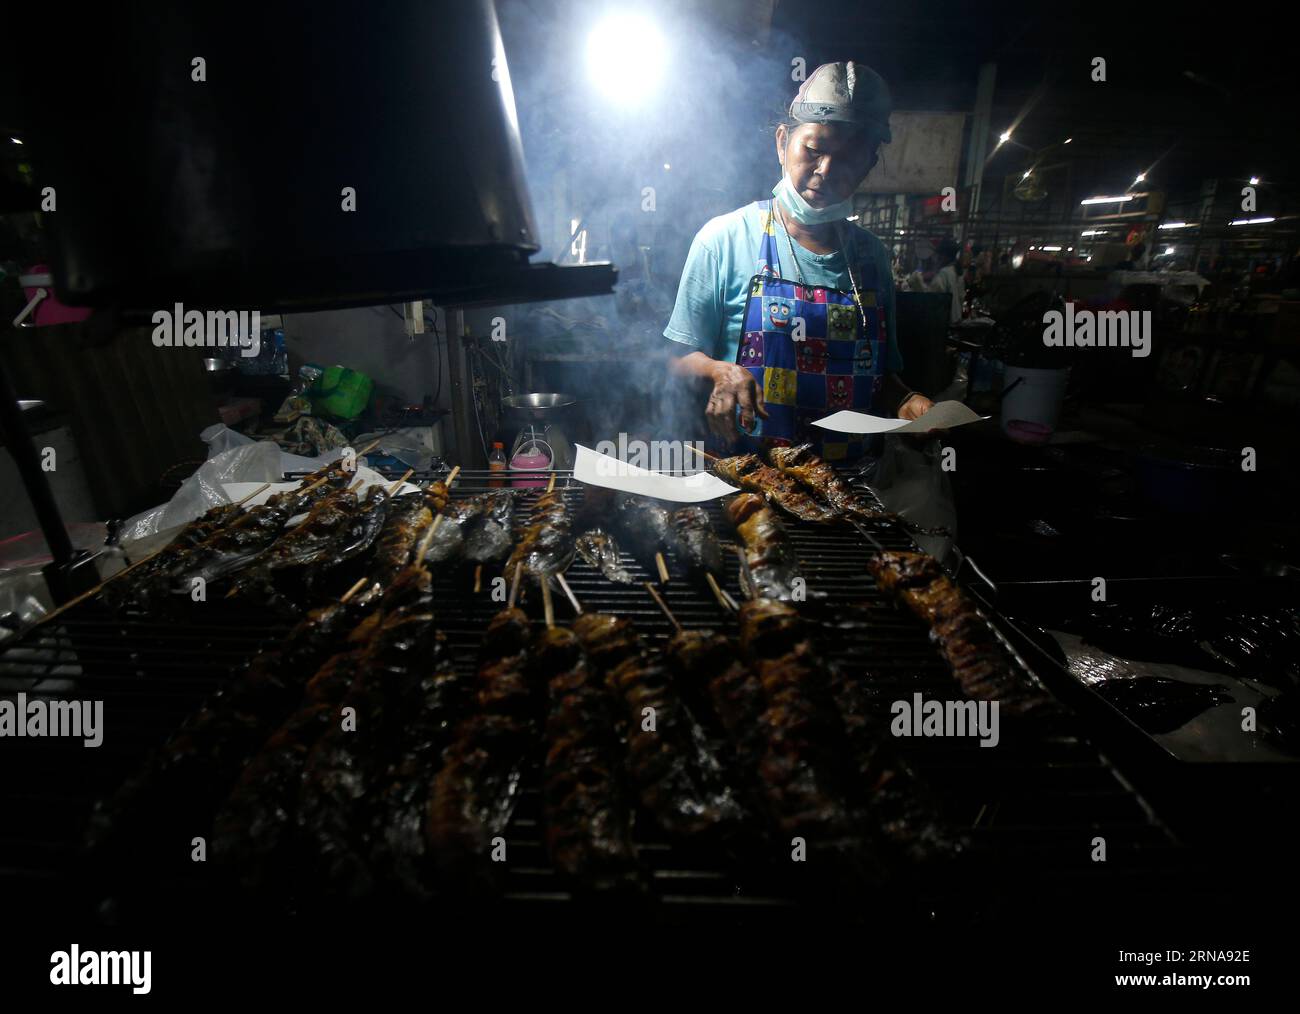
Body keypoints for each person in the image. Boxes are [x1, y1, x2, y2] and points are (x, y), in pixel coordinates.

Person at [663, 61, 933, 459]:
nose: (825, 171)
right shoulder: (724, 239)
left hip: (850, 487)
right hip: (749, 478)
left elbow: (881, 376)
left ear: (868, 167)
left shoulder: (871, 256)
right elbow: (675, 359)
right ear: (781, 143)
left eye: (848, 159)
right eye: (813, 150)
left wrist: (908, 400)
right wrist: (720, 370)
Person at [926, 238, 966, 324]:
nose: (936, 259)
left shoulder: (944, 273)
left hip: (945, 322)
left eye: (938, 255)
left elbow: (933, 298)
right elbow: (961, 297)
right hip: (956, 319)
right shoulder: (957, 271)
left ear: (943, 256)